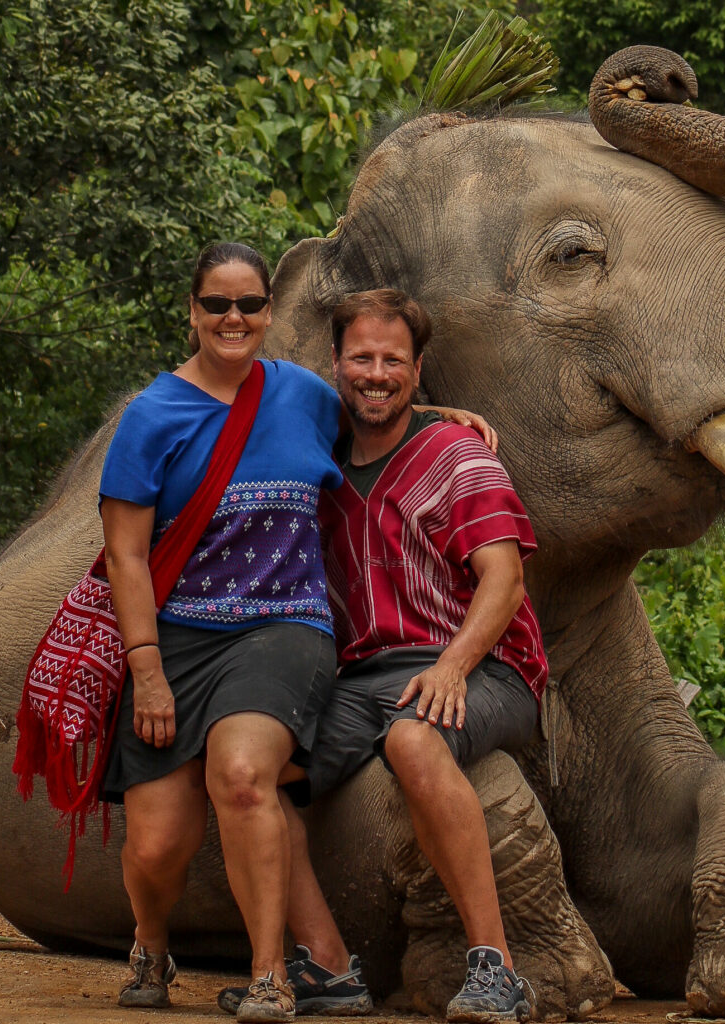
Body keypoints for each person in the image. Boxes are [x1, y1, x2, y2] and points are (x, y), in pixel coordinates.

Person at [101, 247, 491, 1023]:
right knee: (155, 850)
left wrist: (444, 418)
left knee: (245, 775)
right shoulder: (152, 417)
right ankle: (150, 940)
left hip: (283, 630)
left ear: (270, 313)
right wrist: (145, 668)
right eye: (217, 304)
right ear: (191, 312)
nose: (234, 319)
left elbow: (377, 410)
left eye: (249, 304)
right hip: (174, 642)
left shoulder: (302, 395)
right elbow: (125, 553)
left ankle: (275, 974)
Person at [217, 289, 547, 1023]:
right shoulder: (320, 461)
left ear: (417, 369)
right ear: (334, 362)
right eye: (360, 357)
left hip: (479, 665)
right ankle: (328, 965)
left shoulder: (456, 454)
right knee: (253, 775)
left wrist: (453, 666)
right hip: (360, 678)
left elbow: (505, 577)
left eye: (392, 361)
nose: (376, 373)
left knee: (413, 737)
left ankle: (495, 969)